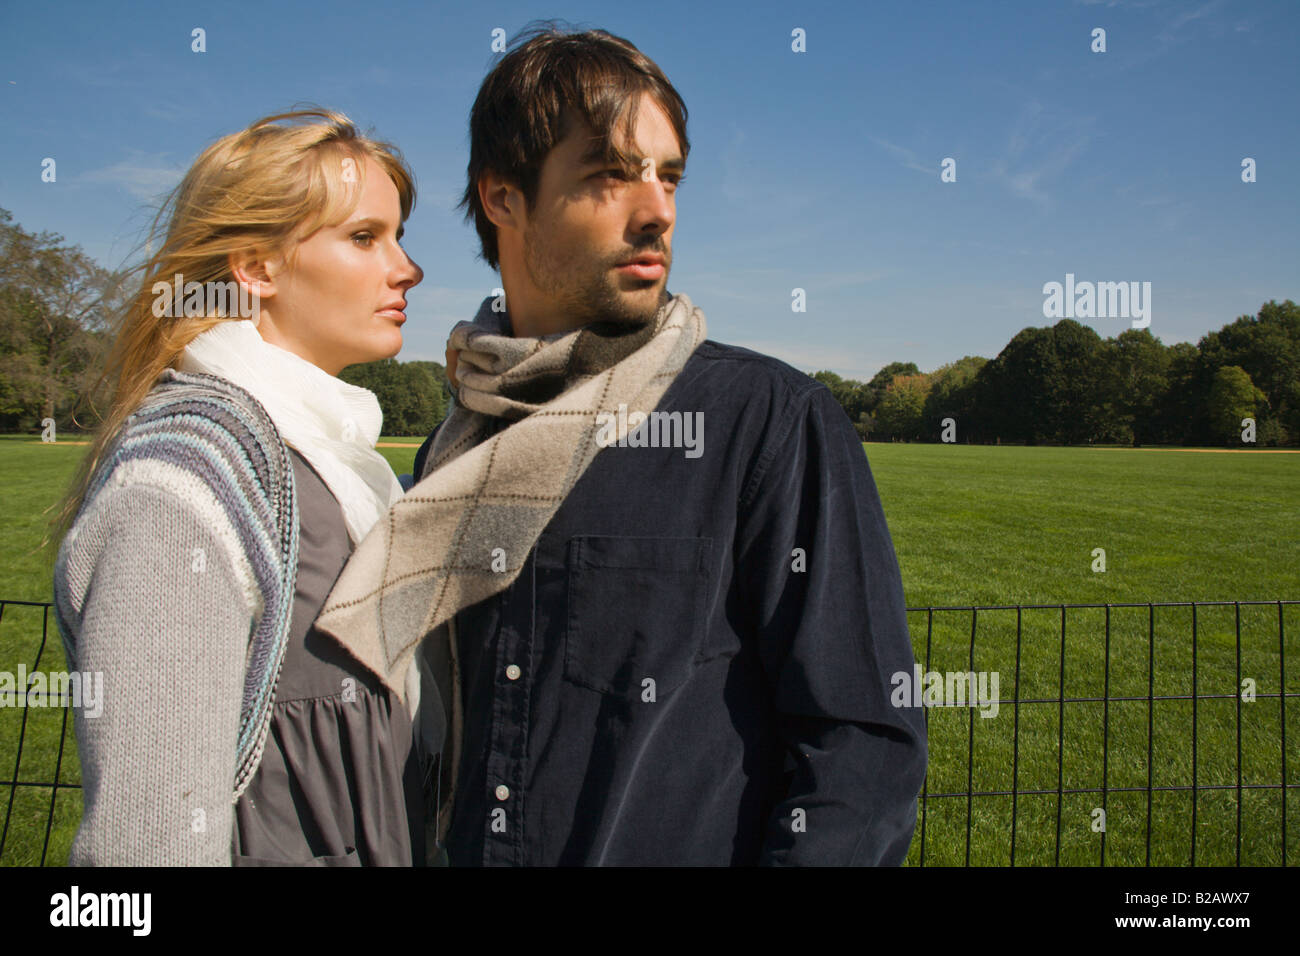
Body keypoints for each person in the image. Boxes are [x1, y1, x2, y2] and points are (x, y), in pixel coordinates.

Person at [314, 22, 928, 866]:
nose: (658, 210)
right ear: (504, 199)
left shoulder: (768, 423)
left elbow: (860, 749)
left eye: (669, 176)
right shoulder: (456, 444)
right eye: (610, 175)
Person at [48, 108, 427, 866]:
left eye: (398, 234)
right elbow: (144, 850)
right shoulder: (183, 483)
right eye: (364, 237)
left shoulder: (332, 457)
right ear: (257, 268)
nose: (406, 267)